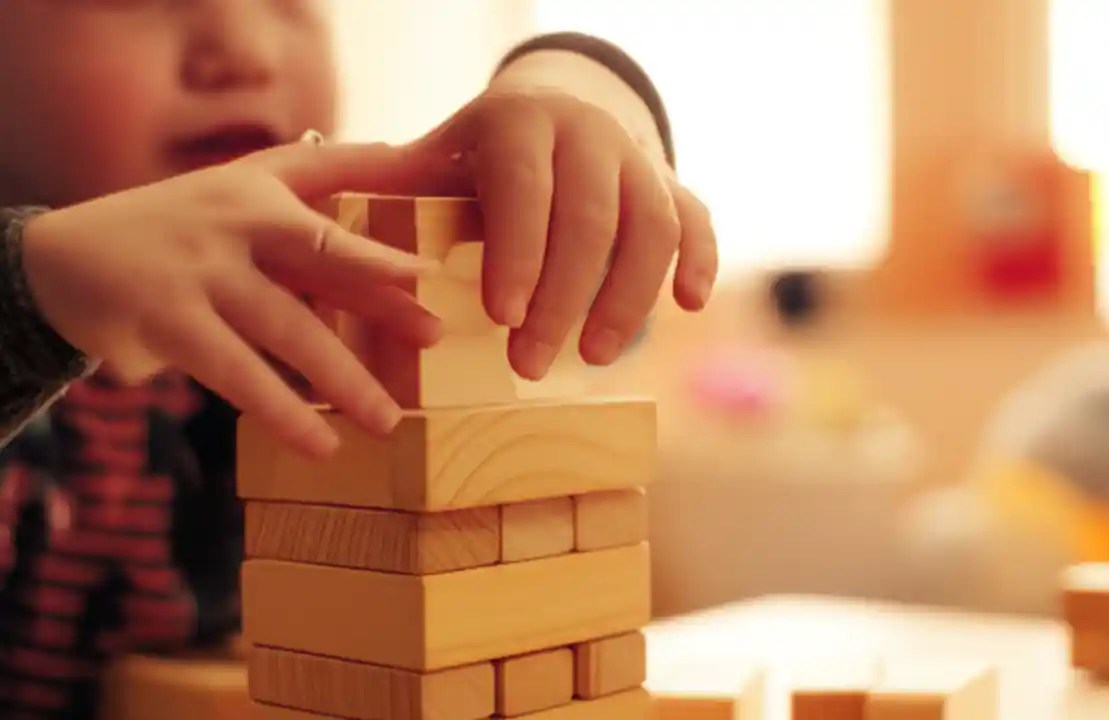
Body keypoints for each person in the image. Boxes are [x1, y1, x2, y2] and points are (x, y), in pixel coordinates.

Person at [0, 2, 716, 716]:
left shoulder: (324, 282)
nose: (247, 48)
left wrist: (567, 102)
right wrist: (40, 285)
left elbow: (568, 316)